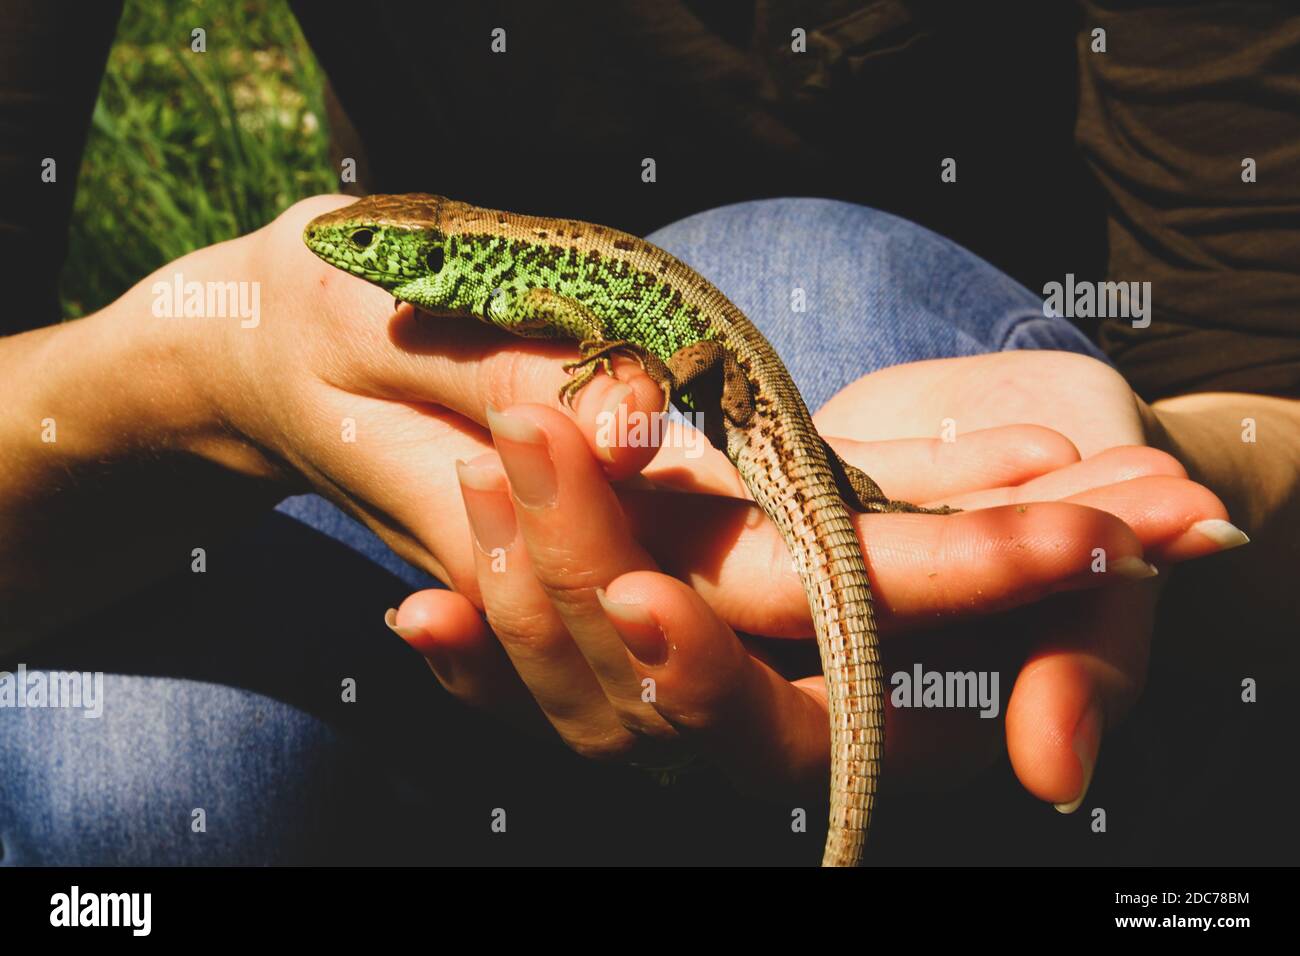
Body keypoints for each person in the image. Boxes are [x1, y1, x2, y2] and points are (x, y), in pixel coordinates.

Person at [0, 1, 1294, 865]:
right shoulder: (425, 285)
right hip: (467, 451)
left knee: (805, 273)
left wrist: (1193, 465)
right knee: (114, 758)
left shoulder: (523, 283)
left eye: (387, 254)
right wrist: (197, 381)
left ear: (434, 254)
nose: (365, 264)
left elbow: (1256, 343)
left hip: (848, 355)